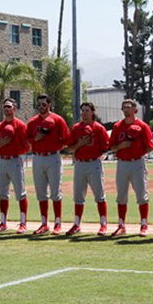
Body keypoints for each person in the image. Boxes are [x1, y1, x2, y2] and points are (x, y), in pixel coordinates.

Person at [108, 98, 153, 237]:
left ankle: (144, 225)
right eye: (124, 107)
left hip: (137, 162)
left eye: (129, 107)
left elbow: (150, 147)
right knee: (121, 195)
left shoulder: (142, 126)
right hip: (122, 163)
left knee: (141, 195)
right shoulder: (117, 126)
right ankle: (121, 225)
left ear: (135, 110)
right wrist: (120, 147)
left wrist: (137, 152)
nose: (126, 109)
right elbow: (112, 147)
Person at [26, 94, 70, 234]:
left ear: (49, 105)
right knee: (41, 193)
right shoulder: (33, 121)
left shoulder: (58, 120)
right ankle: (44, 223)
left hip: (53, 157)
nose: (41, 107)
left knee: (55, 192)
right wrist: (35, 139)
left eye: (44, 104)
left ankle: (57, 223)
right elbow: (27, 139)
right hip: (38, 157)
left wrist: (56, 146)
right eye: (39, 105)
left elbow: (66, 139)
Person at [65, 101, 110, 236]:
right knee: (78, 196)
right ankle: (76, 224)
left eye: (87, 111)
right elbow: (70, 148)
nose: (84, 114)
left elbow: (106, 147)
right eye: (82, 111)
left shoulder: (99, 128)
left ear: (92, 112)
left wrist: (97, 154)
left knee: (99, 195)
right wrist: (80, 143)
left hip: (93, 163)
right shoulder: (76, 128)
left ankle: (103, 224)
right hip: (79, 164)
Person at [0, 98, 30, 233]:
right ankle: (3, 223)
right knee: (2, 193)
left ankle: (23, 223)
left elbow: (27, 145)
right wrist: (0, 145)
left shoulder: (20, 125)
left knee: (20, 192)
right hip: (2, 161)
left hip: (15, 160)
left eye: (9, 106)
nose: (6, 109)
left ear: (14, 108)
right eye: (5, 107)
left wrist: (17, 151)